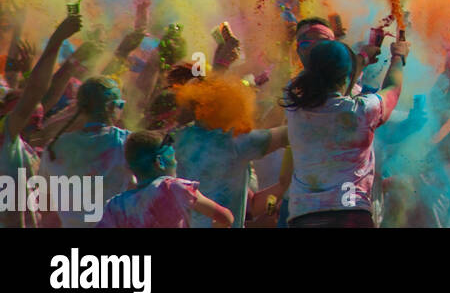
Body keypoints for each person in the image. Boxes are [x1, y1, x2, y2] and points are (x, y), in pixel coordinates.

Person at [282, 37, 406, 227]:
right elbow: (392, 89)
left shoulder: (294, 107)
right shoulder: (361, 110)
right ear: (347, 76)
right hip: (350, 214)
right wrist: (398, 56)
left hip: (304, 216)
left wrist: (362, 58)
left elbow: (311, 77)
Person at [172, 75, 289, 227]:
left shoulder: (179, 139)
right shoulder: (234, 142)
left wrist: (283, 185)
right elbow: (289, 134)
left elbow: (252, 206)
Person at [1, 11, 81, 228]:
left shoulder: (30, 150)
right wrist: (56, 40)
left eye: (39, 117)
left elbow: (47, 95)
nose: (36, 121)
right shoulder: (5, 138)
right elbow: (36, 91)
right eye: (28, 115)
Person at [39, 76, 134, 227]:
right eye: (121, 105)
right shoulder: (126, 142)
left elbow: (45, 202)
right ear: (111, 107)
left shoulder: (54, 147)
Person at [97, 131, 233, 228]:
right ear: (159, 162)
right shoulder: (172, 187)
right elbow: (225, 217)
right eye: (172, 156)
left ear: (128, 167)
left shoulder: (115, 205)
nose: (176, 162)